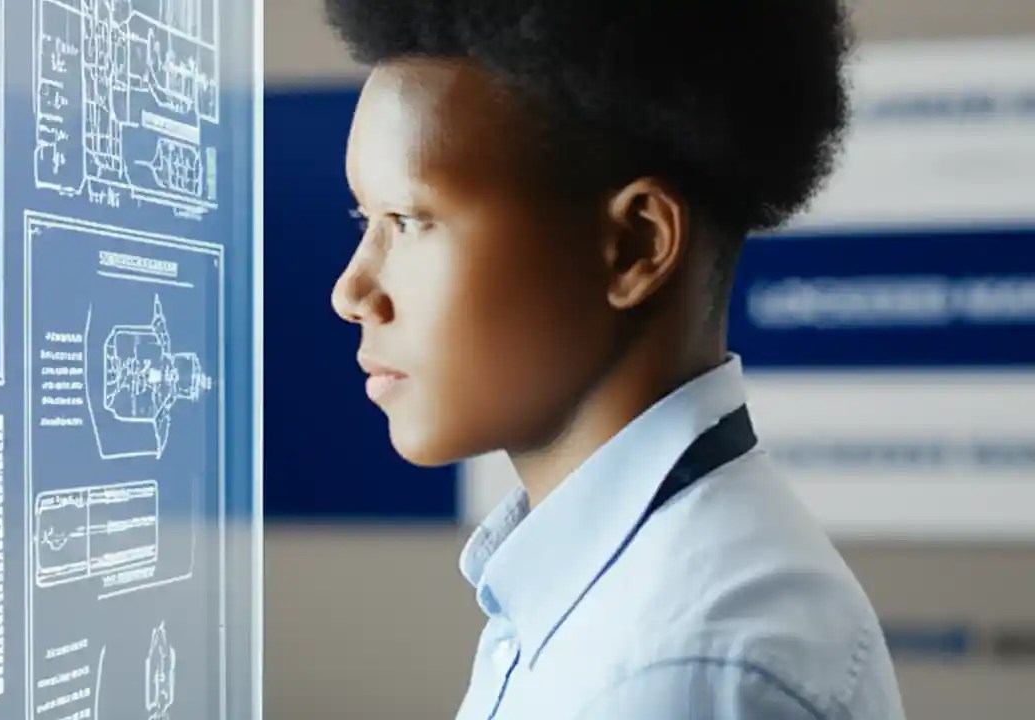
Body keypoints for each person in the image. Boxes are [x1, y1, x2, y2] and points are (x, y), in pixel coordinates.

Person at [325, 1, 906, 718]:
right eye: (364, 220)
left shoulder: (675, 675)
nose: (351, 292)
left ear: (636, 246)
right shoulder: (607, 602)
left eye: (410, 222)